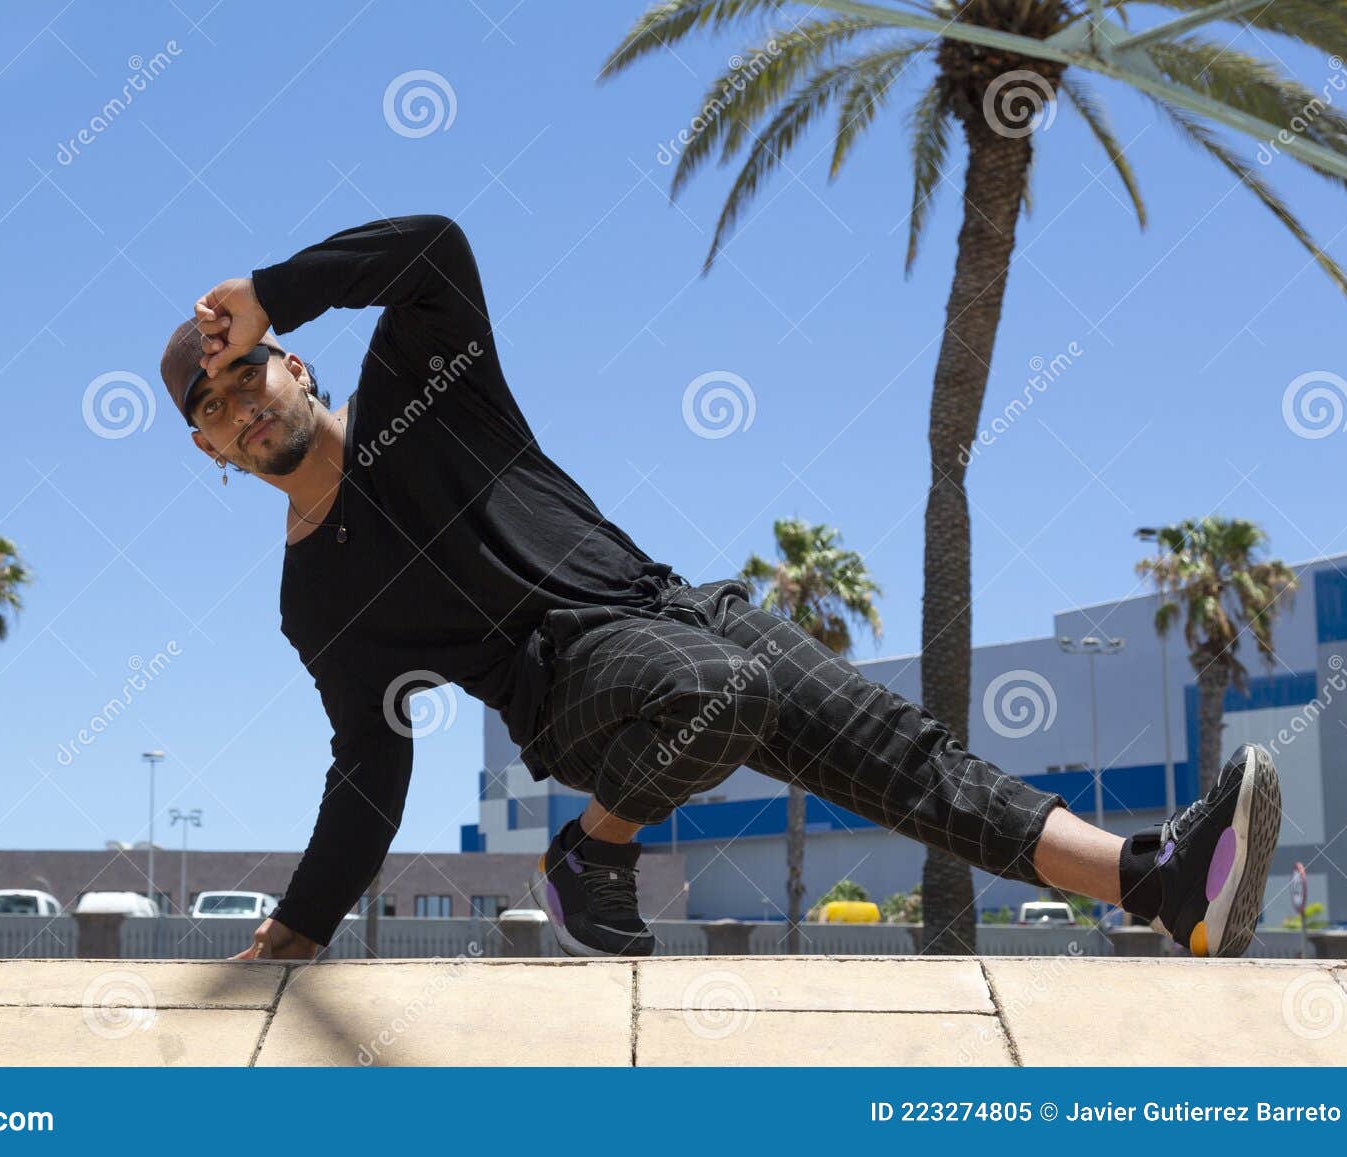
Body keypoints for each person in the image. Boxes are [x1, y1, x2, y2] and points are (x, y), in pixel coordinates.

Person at [156, 213, 1281, 962]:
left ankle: (1154, 881)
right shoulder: (317, 596)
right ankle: (590, 851)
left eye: (245, 372)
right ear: (211, 453)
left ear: (290, 360)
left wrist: (270, 288)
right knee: (723, 691)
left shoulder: (419, 383)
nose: (242, 407)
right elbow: (371, 759)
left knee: (901, 755)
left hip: (676, 604)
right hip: (574, 690)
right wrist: (303, 925)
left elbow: (433, 251)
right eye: (213, 409)